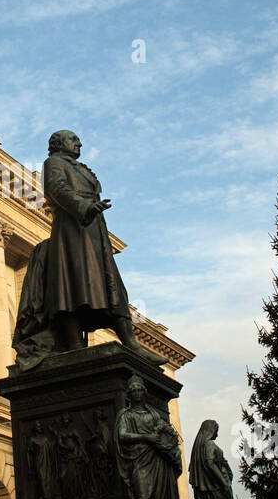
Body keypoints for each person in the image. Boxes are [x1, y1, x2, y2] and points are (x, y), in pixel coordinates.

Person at [11, 130, 169, 370]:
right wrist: (84, 206)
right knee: (71, 286)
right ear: (58, 143)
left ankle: (130, 342)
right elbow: (57, 189)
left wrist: (90, 210)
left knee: (110, 285)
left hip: (93, 230)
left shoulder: (80, 167)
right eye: (73, 139)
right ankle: (74, 344)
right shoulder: (53, 163)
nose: (79, 143)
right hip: (71, 228)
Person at [114, 375, 182, 499]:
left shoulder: (153, 414)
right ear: (129, 394)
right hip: (139, 459)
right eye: (133, 390)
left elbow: (169, 432)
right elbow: (122, 435)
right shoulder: (126, 415)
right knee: (142, 497)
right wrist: (147, 437)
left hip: (157, 459)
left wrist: (166, 434)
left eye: (139, 390)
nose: (137, 393)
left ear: (144, 393)